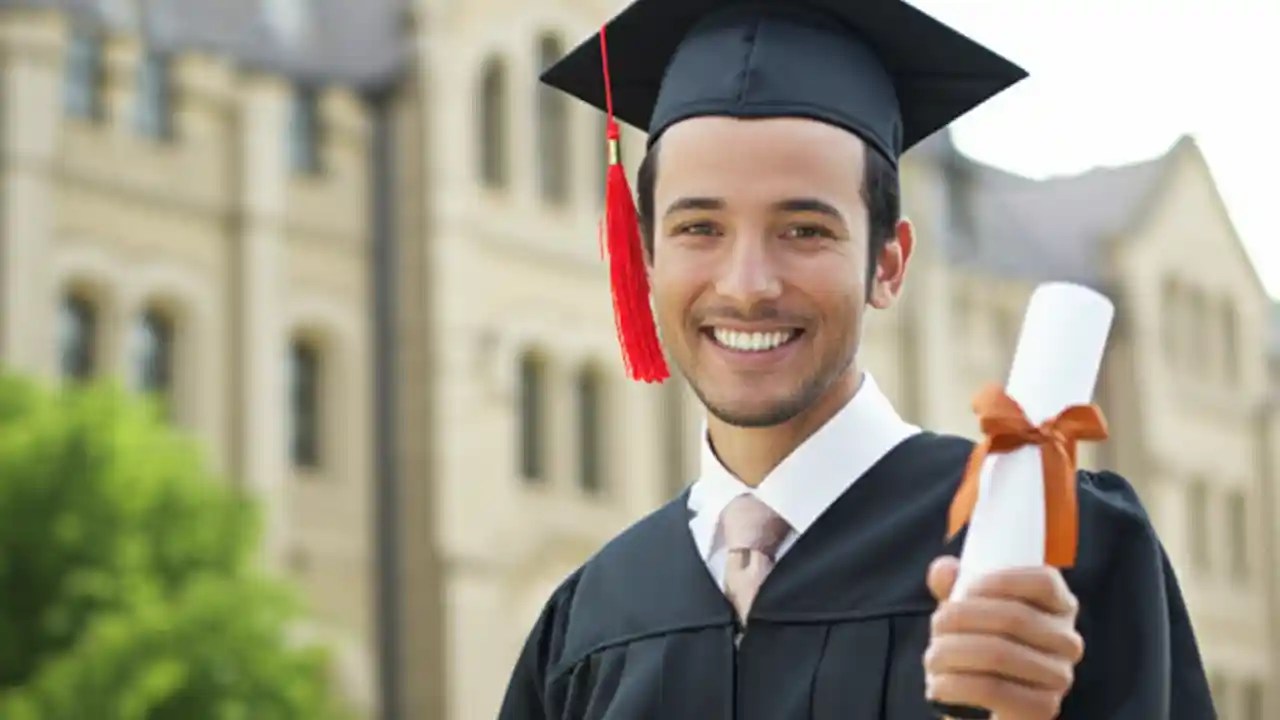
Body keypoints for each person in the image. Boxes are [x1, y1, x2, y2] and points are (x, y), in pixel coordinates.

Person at [499, 0, 1216, 717]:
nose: (748, 285)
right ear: (645, 255)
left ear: (889, 264)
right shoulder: (586, 622)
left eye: (805, 230)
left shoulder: (1057, 554)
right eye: (700, 228)